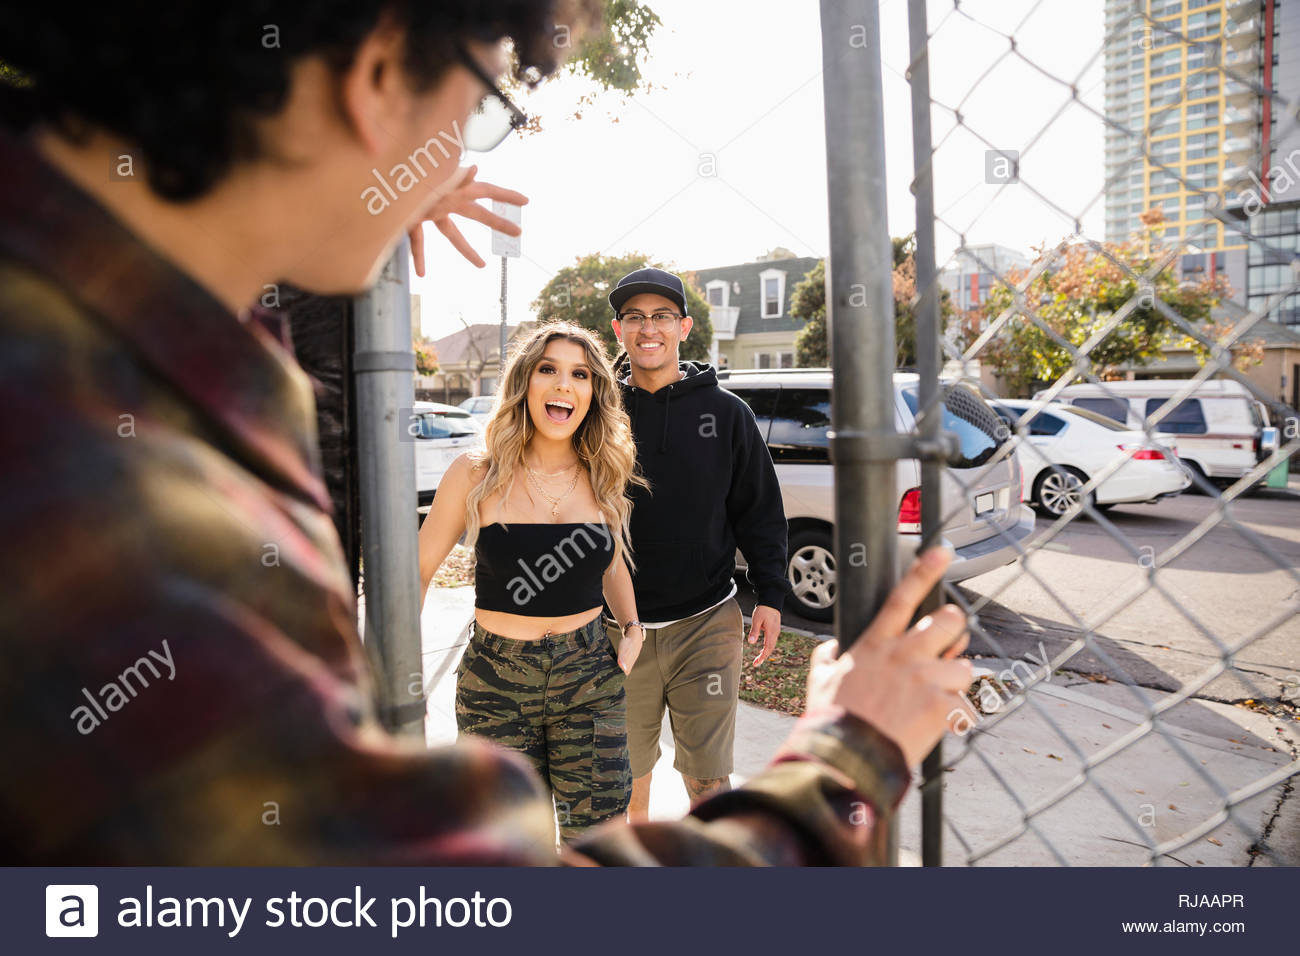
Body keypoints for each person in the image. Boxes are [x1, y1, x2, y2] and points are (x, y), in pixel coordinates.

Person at [0, 1, 973, 866]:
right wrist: (850, 751)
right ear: (377, 78)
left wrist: (335, 199)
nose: (458, 154)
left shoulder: (101, 328)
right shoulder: (107, 488)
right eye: (476, 109)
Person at [417, 321, 646, 842]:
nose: (564, 385)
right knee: (508, 844)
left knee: (602, 842)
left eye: (581, 375)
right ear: (525, 382)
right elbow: (418, 574)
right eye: (549, 369)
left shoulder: (602, 472)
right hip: (495, 681)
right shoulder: (474, 474)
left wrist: (632, 626)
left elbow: (610, 562)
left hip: (589, 675)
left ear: (593, 394)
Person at [604, 267, 790, 817]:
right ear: (619, 330)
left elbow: (759, 510)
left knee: (709, 784)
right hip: (617, 628)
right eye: (634, 317)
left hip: (706, 624)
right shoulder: (600, 413)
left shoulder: (727, 414)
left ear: (684, 327)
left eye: (661, 316)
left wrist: (772, 596)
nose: (648, 328)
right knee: (625, 784)